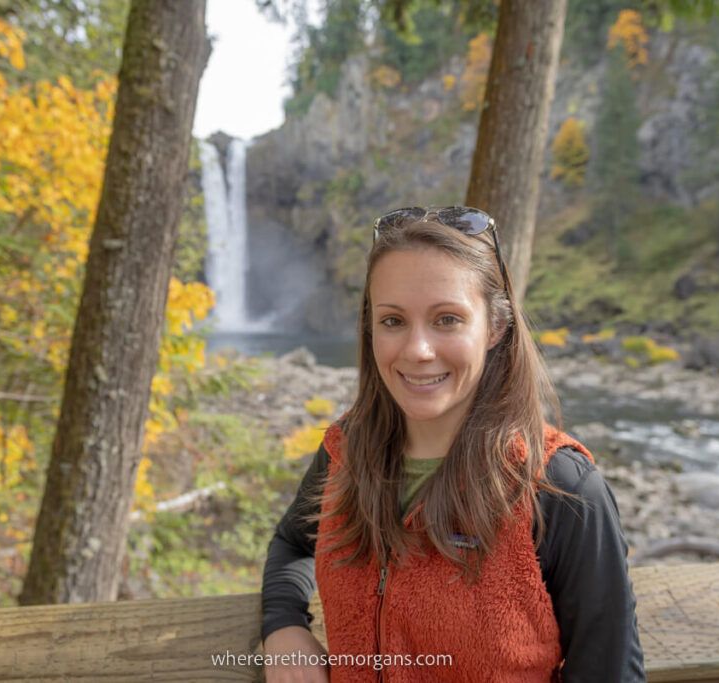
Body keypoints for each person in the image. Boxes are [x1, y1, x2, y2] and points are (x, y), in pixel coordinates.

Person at [261, 207, 645, 682]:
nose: (418, 350)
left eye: (447, 319)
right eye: (393, 321)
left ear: (496, 327)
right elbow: (292, 542)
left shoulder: (559, 487)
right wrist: (283, 628)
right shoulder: (346, 452)